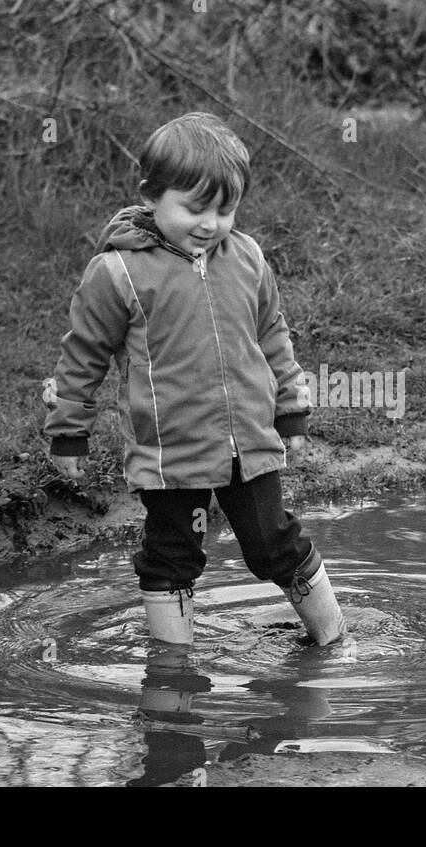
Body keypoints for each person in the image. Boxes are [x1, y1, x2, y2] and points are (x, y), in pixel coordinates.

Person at [42, 111, 345, 647]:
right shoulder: (117, 272)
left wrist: (290, 408)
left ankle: (334, 639)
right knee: (171, 557)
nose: (211, 224)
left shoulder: (247, 257)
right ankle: (171, 674)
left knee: (273, 543)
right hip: (169, 450)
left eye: (226, 209)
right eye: (195, 208)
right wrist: (69, 430)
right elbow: (83, 354)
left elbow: (273, 335)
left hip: (247, 441)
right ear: (153, 195)